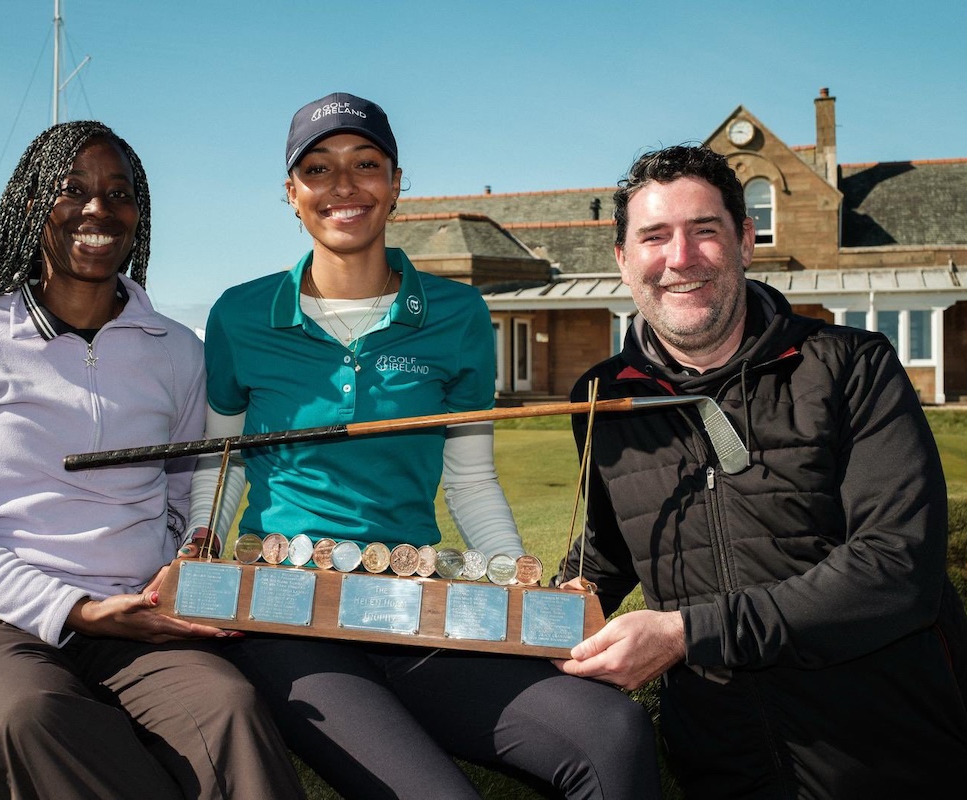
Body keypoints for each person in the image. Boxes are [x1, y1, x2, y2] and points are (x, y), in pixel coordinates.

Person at [184, 92, 661, 800]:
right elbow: (216, 465)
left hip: (415, 605)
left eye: (365, 163)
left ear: (397, 182)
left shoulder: (457, 314)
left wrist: (524, 583)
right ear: (292, 193)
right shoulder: (241, 314)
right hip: (284, 615)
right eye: (318, 169)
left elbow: (469, 481)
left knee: (612, 736)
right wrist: (199, 545)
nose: (343, 185)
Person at [553, 143, 967, 799]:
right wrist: (537, 607)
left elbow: (896, 567)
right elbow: (609, 543)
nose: (679, 258)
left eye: (704, 231)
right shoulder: (604, 396)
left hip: (898, 762)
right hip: (726, 768)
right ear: (624, 261)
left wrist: (689, 635)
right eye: (654, 236)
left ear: (745, 241)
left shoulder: (851, 365)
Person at [0, 121, 303, 800]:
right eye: (73, 190)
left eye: (119, 193)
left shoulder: (177, 349)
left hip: (138, 619)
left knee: (230, 710)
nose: (99, 209)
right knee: (32, 715)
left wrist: (183, 562)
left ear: (137, 217)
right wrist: (73, 608)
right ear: (33, 206)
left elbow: (189, 500)